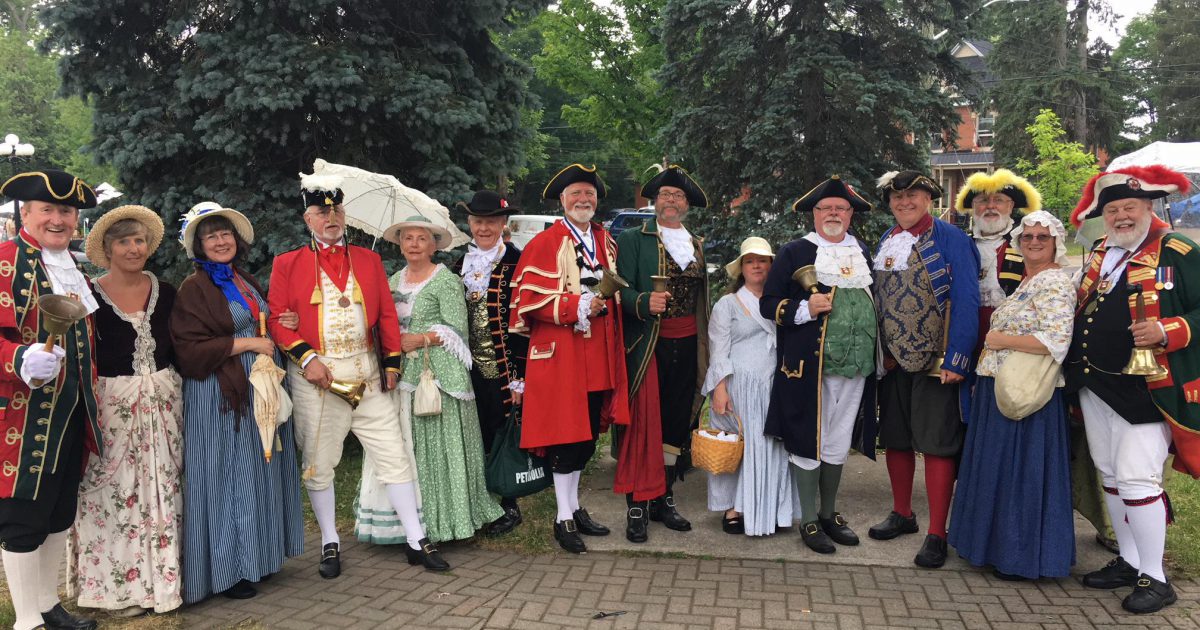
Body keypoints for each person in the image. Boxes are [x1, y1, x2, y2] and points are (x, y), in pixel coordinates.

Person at [268, 174, 442, 575]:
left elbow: (384, 316)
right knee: (319, 462)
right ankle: (330, 541)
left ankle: (416, 539)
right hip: (318, 380)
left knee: (394, 455)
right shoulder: (287, 263)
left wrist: (393, 364)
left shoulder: (369, 260)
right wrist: (307, 360)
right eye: (322, 211)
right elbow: (279, 321)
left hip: (367, 374)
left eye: (337, 210)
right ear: (307, 219)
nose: (331, 217)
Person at [1066, 165, 1200, 614]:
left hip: (1147, 387)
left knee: (1138, 476)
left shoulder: (1177, 250)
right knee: (1110, 473)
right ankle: (1128, 560)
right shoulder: (1104, 250)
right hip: (1096, 383)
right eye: (1114, 210)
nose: (1121, 217)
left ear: (1149, 207)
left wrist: (1168, 330)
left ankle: (1156, 578)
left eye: (1130, 208)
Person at [170, 202, 304, 602]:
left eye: (225, 233)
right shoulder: (194, 288)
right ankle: (228, 572)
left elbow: (263, 321)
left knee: (256, 471)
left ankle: (258, 558)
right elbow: (188, 349)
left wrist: (286, 325)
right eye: (211, 236)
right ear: (198, 245)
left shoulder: (242, 279)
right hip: (220, 396)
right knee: (228, 477)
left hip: (256, 388)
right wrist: (249, 343)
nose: (220, 240)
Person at [355, 215, 503, 545]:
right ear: (400, 244)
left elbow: (457, 327)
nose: (415, 245)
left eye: (422, 239)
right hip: (401, 372)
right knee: (407, 446)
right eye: (408, 238)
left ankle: (448, 521)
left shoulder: (445, 281)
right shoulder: (393, 281)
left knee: (439, 443)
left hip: (437, 374)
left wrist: (420, 338)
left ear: (434, 245)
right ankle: (410, 522)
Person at [66, 206, 182, 616]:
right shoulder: (88, 294)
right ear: (108, 249)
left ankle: (163, 582)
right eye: (124, 242)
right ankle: (118, 588)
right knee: (113, 491)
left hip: (165, 405)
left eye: (139, 241)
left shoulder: (166, 291)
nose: (134, 249)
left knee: (163, 486)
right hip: (112, 407)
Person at [949, 210, 1076, 581]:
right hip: (1000, 386)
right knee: (1001, 470)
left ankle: (1019, 556)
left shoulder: (1053, 282)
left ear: (1056, 243)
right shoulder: (1028, 281)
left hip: (1026, 394)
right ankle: (994, 547)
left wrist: (998, 339)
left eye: (1042, 237)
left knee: (1021, 473)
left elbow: (1056, 340)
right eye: (1027, 237)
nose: (1033, 242)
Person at [509, 164, 630, 553]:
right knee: (566, 436)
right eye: (576, 194)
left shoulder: (605, 239)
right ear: (562, 201)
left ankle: (574, 507)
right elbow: (528, 302)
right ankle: (562, 518)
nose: (584, 200)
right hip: (561, 355)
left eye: (590, 194)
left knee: (587, 436)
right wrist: (577, 305)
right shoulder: (546, 242)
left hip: (599, 353)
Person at [0, 170, 102, 630]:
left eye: (67, 211)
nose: (59, 219)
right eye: (48, 210)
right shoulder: (3, 261)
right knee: (23, 516)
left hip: (72, 412)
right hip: (20, 417)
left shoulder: (72, 266)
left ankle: (47, 603)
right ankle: (26, 620)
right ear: (26, 212)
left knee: (59, 512)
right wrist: (18, 358)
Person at [760, 176, 879, 554]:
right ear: (814, 214)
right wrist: (804, 308)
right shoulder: (795, 252)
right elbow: (769, 303)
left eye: (841, 208)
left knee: (839, 438)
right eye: (825, 208)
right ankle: (809, 519)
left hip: (857, 364)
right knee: (809, 438)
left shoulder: (862, 250)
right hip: (809, 369)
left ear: (850, 215)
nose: (833, 214)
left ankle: (829, 513)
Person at [868, 170, 980, 569]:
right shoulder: (886, 240)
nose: (904, 203)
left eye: (912, 195)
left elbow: (967, 299)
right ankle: (902, 513)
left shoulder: (953, 239)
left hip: (937, 360)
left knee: (936, 444)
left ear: (928, 198)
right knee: (896, 440)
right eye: (897, 198)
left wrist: (958, 357)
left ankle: (938, 533)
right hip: (894, 359)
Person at [615, 164, 709, 542]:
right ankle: (637, 504)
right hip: (648, 346)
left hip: (687, 344)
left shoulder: (696, 243)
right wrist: (641, 301)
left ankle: (664, 497)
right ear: (654, 201)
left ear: (687, 205)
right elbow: (617, 291)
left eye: (679, 196)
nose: (672, 201)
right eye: (666, 195)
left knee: (674, 424)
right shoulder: (634, 240)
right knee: (643, 425)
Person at [704, 237, 799, 536]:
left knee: (774, 448)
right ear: (741, 268)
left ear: (772, 266)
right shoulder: (728, 304)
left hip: (775, 385)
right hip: (740, 386)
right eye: (750, 260)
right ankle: (736, 508)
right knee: (745, 448)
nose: (757, 265)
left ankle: (773, 510)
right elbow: (718, 349)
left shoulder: (782, 303)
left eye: (763, 260)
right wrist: (719, 389)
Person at [453, 190, 529, 535]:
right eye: (478, 221)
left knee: (502, 432)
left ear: (503, 224)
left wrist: (520, 378)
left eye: (491, 222)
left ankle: (508, 503)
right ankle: (480, 500)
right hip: (466, 367)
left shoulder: (519, 262)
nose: (484, 228)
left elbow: (526, 325)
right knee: (475, 432)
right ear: (469, 224)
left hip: (503, 367)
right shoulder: (457, 265)